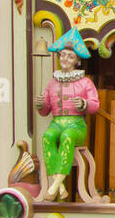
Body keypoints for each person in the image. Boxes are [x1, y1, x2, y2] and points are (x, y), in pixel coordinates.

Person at [38, 28, 99, 201]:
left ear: (77, 61)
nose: (65, 59)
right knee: (47, 136)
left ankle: (55, 185)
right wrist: (40, 104)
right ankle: (60, 185)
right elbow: (46, 110)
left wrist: (84, 104)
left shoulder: (85, 82)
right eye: (63, 55)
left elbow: (95, 105)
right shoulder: (52, 82)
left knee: (67, 136)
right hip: (56, 123)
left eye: (70, 56)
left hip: (76, 125)